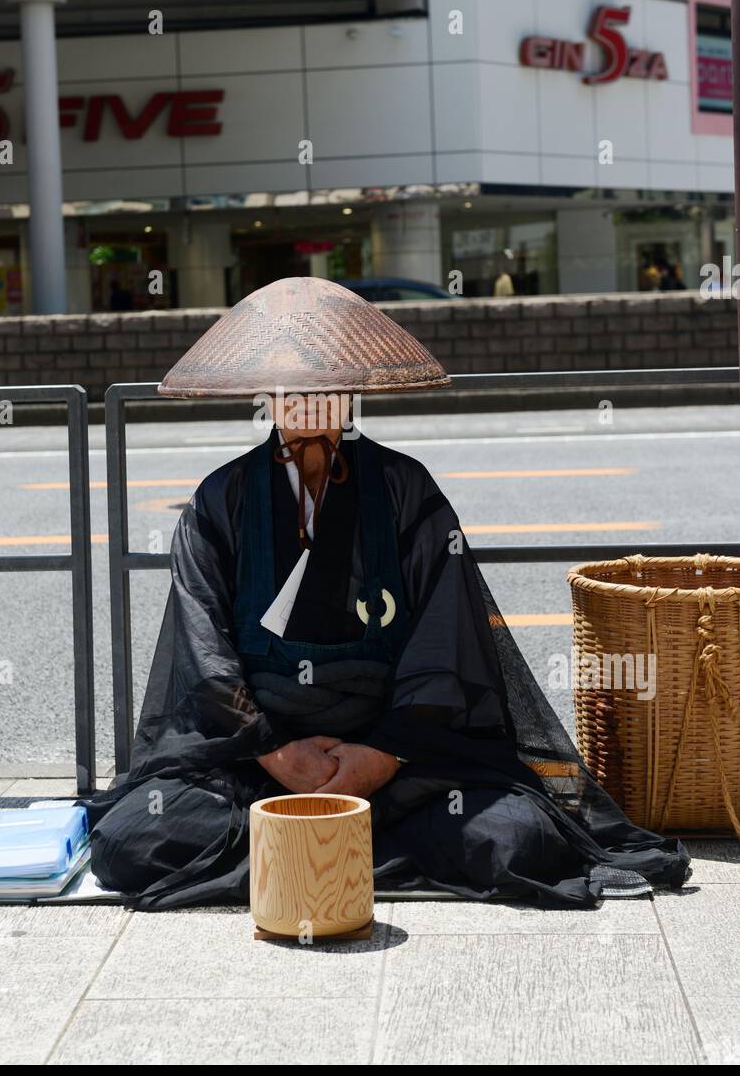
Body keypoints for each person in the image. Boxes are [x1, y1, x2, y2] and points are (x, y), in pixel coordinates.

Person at [84, 278, 690, 911]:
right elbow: (202, 646)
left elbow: (443, 640)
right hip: (254, 759)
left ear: (355, 395)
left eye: (329, 387)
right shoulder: (221, 498)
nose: (311, 402)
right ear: (266, 397)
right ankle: (366, 846)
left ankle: (310, 843)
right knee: (133, 841)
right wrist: (274, 749)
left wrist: (381, 754)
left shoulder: (406, 488)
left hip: (399, 756)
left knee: (519, 837)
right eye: (293, 388)